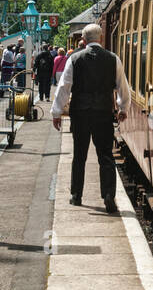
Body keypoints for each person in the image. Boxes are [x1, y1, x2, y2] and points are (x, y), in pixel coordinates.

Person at [51, 23, 131, 213]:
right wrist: (123, 108)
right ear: (101, 38)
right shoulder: (113, 59)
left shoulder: (74, 58)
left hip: (80, 113)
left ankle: (76, 195)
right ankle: (108, 195)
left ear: (84, 40)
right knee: (105, 155)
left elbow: (64, 87)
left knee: (79, 156)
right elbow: (123, 86)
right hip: (103, 112)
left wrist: (56, 112)